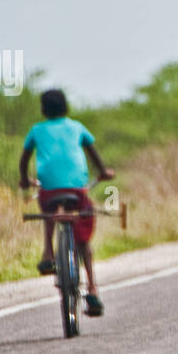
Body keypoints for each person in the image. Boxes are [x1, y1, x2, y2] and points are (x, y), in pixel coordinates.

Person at [19, 89, 114, 316]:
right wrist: (103, 172)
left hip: (49, 190)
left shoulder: (36, 130)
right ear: (66, 107)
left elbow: (24, 161)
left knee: (49, 211)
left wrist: (24, 180)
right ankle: (92, 287)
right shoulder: (77, 127)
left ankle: (48, 253)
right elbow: (94, 155)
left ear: (43, 110)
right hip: (76, 190)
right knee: (83, 240)